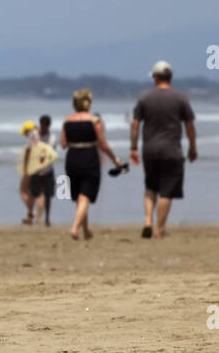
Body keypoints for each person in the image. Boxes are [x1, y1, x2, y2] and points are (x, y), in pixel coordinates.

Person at [130, 61, 197, 239]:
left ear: (155, 77)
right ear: (170, 77)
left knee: (150, 187)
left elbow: (135, 124)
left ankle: (147, 221)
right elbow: (189, 125)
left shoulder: (144, 98)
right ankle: (159, 228)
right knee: (167, 190)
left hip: (150, 150)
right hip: (172, 150)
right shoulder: (180, 98)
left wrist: (133, 148)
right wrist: (192, 147)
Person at [60, 89, 124, 241]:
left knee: (79, 197)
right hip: (89, 158)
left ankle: (86, 230)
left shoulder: (67, 121)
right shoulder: (95, 120)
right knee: (86, 195)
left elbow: (63, 144)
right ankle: (75, 228)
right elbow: (103, 144)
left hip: (72, 158)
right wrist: (115, 159)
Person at [28, 115, 55, 226]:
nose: (44, 129)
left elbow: (48, 152)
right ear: (40, 125)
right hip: (35, 169)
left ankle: (47, 218)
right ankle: (31, 216)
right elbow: (31, 150)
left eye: (46, 127)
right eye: (43, 127)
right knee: (34, 194)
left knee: (48, 195)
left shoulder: (52, 137)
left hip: (47, 169)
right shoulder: (34, 135)